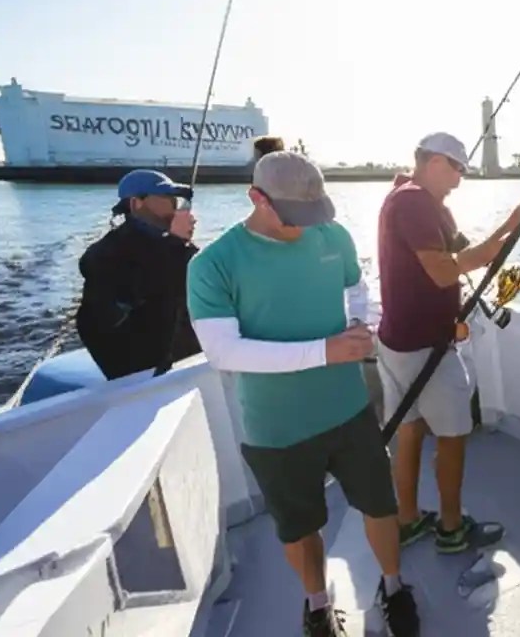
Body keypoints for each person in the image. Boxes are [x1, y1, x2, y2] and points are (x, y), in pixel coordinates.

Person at [186, 150, 419, 637]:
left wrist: (360, 321)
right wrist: (326, 350)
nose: (305, 228)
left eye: (315, 216)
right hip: (276, 430)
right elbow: (224, 352)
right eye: (295, 217)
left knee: (381, 505)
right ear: (256, 198)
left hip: (350, 410)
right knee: (299, 527)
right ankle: (317, 605)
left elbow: (357, 288)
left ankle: (394, 587)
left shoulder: (330, 234)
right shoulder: (213, 264)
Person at [376, 131, 520, 554]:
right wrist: (500, 244)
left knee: (407, 431)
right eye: (457, 168)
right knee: (452, 436)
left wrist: (513, 223)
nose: (460, 179)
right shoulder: (413, 202)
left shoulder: (420, 203)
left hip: (397, 340)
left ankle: (406, 520)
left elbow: (468, 250)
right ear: (433, 162)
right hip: (426, 346)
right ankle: (450, 528)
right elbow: (446, 272)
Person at [76, 169, 201, 379]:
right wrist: (177, 243)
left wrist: (183, 244)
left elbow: (198, 282)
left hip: (182, 363)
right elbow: (139, 290)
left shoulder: (168, 244)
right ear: (136, 204)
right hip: (139, 372)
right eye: (166, 199)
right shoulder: (106, 253)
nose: (174, 207)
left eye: (175, 200)